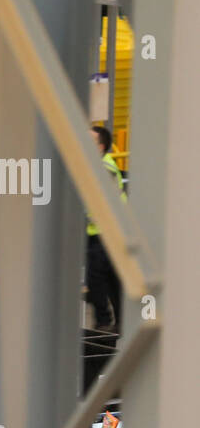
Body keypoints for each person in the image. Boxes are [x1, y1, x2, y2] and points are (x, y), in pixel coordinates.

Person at [86, 125, 127, 331]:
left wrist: (84, 219)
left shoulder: (104, 169)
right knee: (110, 278)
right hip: (101, 232)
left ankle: (103, 323)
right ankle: (120, 321)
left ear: (100, 147)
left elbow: (105, 203)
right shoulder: (94, 166)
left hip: (105, 231)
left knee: (97, 278)